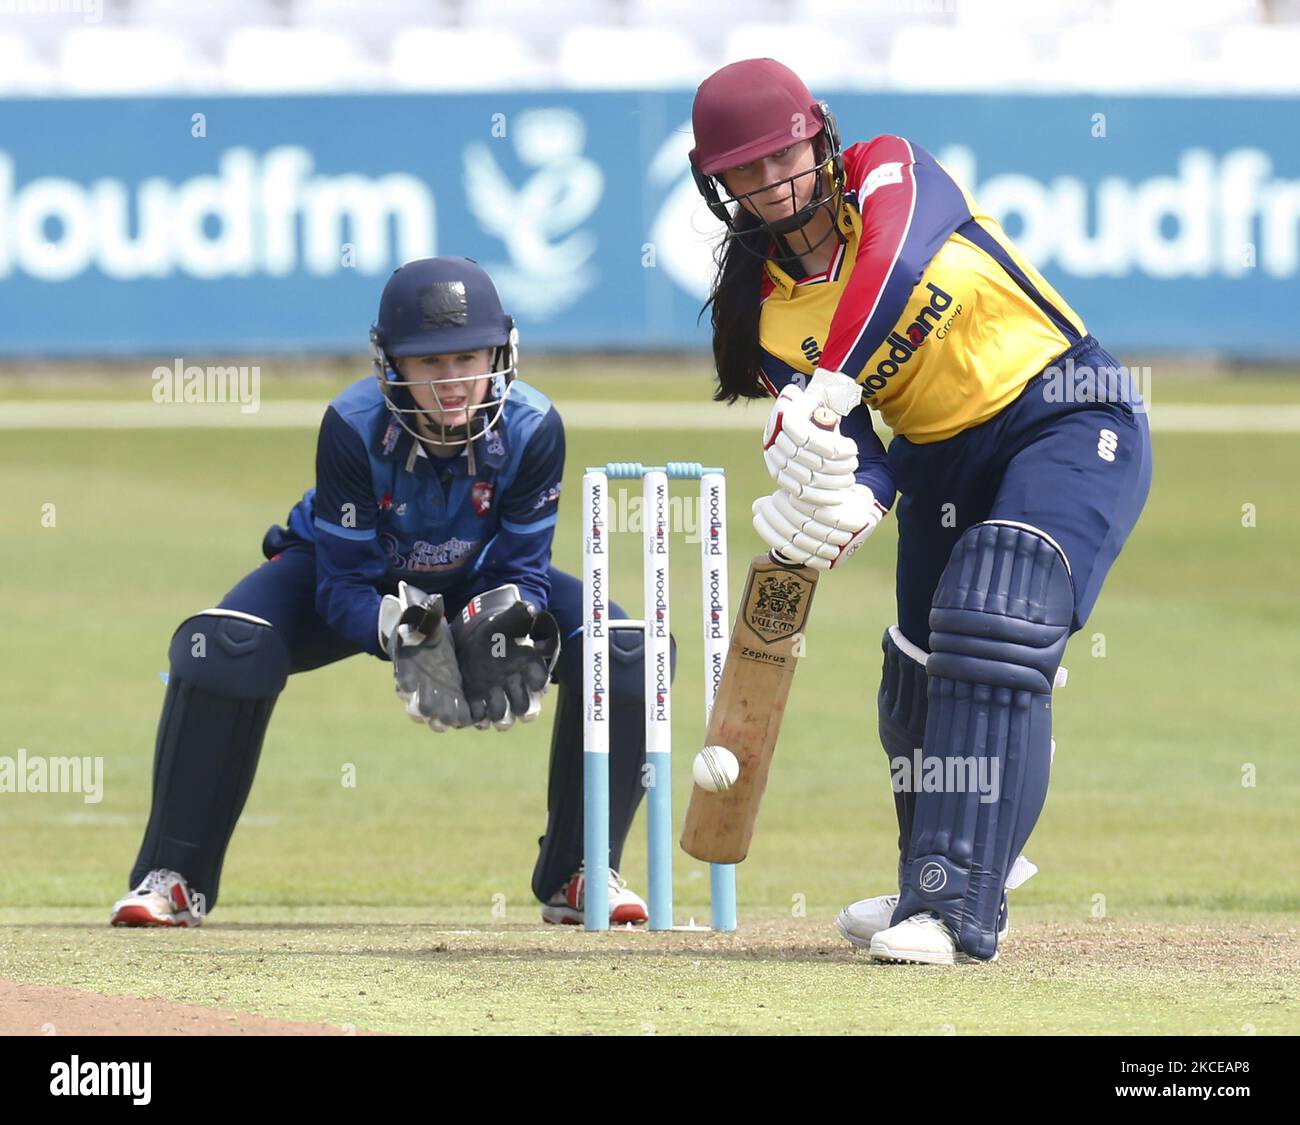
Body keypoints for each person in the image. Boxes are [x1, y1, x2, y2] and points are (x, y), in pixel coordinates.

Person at [689, 59, 1153, 963]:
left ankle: (954, 906)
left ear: (818, 138)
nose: (772, 183)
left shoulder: (890, 171)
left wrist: (829, 379)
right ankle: (930, 876)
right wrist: (848, 490)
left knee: (992, 613)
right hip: (935, 457)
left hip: (1066, 408)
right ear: (721, 188)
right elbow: (854, 436)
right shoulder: (759, 310)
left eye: (783, 155)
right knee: (916, 673)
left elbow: (893, 266)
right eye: (744, 172)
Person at [110, 257, 661, 929]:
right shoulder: (352, 424)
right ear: (391, 362)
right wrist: (405, 630)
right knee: (222, 645)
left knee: (626, 649)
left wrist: (503, 621)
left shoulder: (534, 427)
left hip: (473, 578)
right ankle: (172, 878)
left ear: (501, 350)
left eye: (468, 356)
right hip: (350, 577)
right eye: (430, 362)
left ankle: (581, 871)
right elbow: (340, 584)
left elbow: (523, 567)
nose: (454, 381)